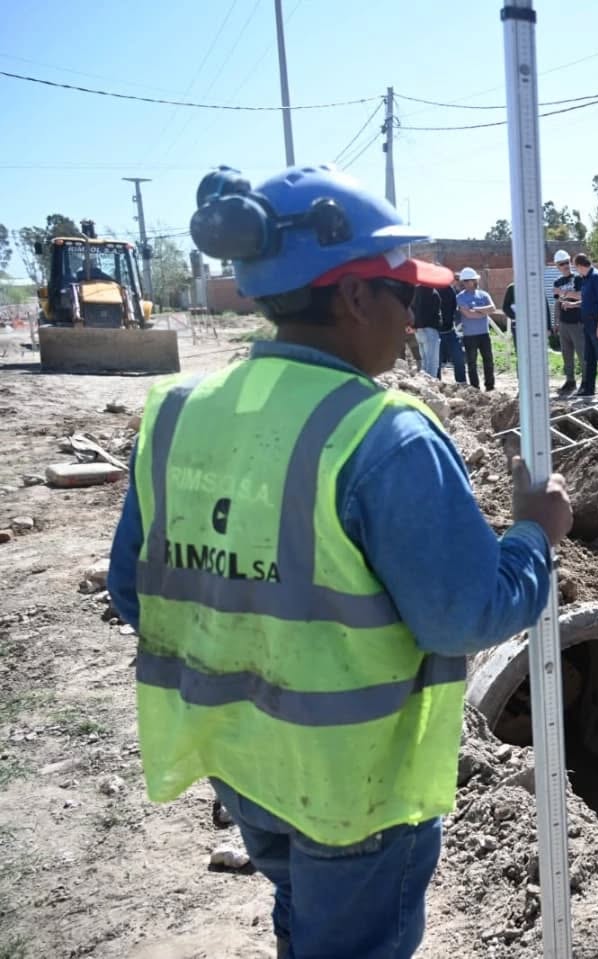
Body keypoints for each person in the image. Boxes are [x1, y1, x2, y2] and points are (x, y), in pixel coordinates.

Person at [108, 162, 572, 959]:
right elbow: (462, 615)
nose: (412, 314)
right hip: (352, 790)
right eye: (405, 293)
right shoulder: (383, 434)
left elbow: (133, 591)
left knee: (305, 917)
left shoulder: (178, 414)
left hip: (242, 761)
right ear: (355, 296)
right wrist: (535, 534)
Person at [572, 253, 598, 398]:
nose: (576, 270)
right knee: (589, 357)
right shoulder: (585, 279)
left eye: (575, 267)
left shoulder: (597, 277)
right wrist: (573, 305)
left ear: (580, 265)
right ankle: (589, 389)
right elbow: (587, 300)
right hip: (587, 322)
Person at [456, 266, 501, 391]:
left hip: (484, 334)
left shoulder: (484, 294)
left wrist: (475, 309)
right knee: (472, 362)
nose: (474, 282)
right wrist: (483, 311)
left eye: (474, 280)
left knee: (488, 360)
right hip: (469, 335)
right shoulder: (460, 297)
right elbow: (468, 315)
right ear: (464, 282)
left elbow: (492, 308)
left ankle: (490, 386)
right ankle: (475, 387)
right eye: (470, 280)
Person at [551, 250, 586, 397]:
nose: (565, 266)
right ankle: (570, 381)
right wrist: (556, 322)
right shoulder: (557, 282)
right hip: (564, 323)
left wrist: (564, 293)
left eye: (566, 262)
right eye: (561, 264)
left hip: (578, 322)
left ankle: (586, 382)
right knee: (566, 355)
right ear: (557, 266)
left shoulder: (578, 278)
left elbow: (582, 296)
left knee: (582, 354)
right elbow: (557, 303)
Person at [410, 282, 443, 378]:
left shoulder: (415, 291)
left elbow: (412, 309)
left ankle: (425, 384)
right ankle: (431, 385)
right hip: (430, 330)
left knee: (424, 361)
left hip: (418, 331)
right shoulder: (433, 293)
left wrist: (413, 326)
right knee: (432, 362)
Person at [438, 278, 465, 384]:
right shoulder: (430, 289)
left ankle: (461, 382)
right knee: (437, 361)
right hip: (436, 332)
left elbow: (454, 307)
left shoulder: (449, 290)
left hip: (450, 330)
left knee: (458, 356)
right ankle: (436, 383)